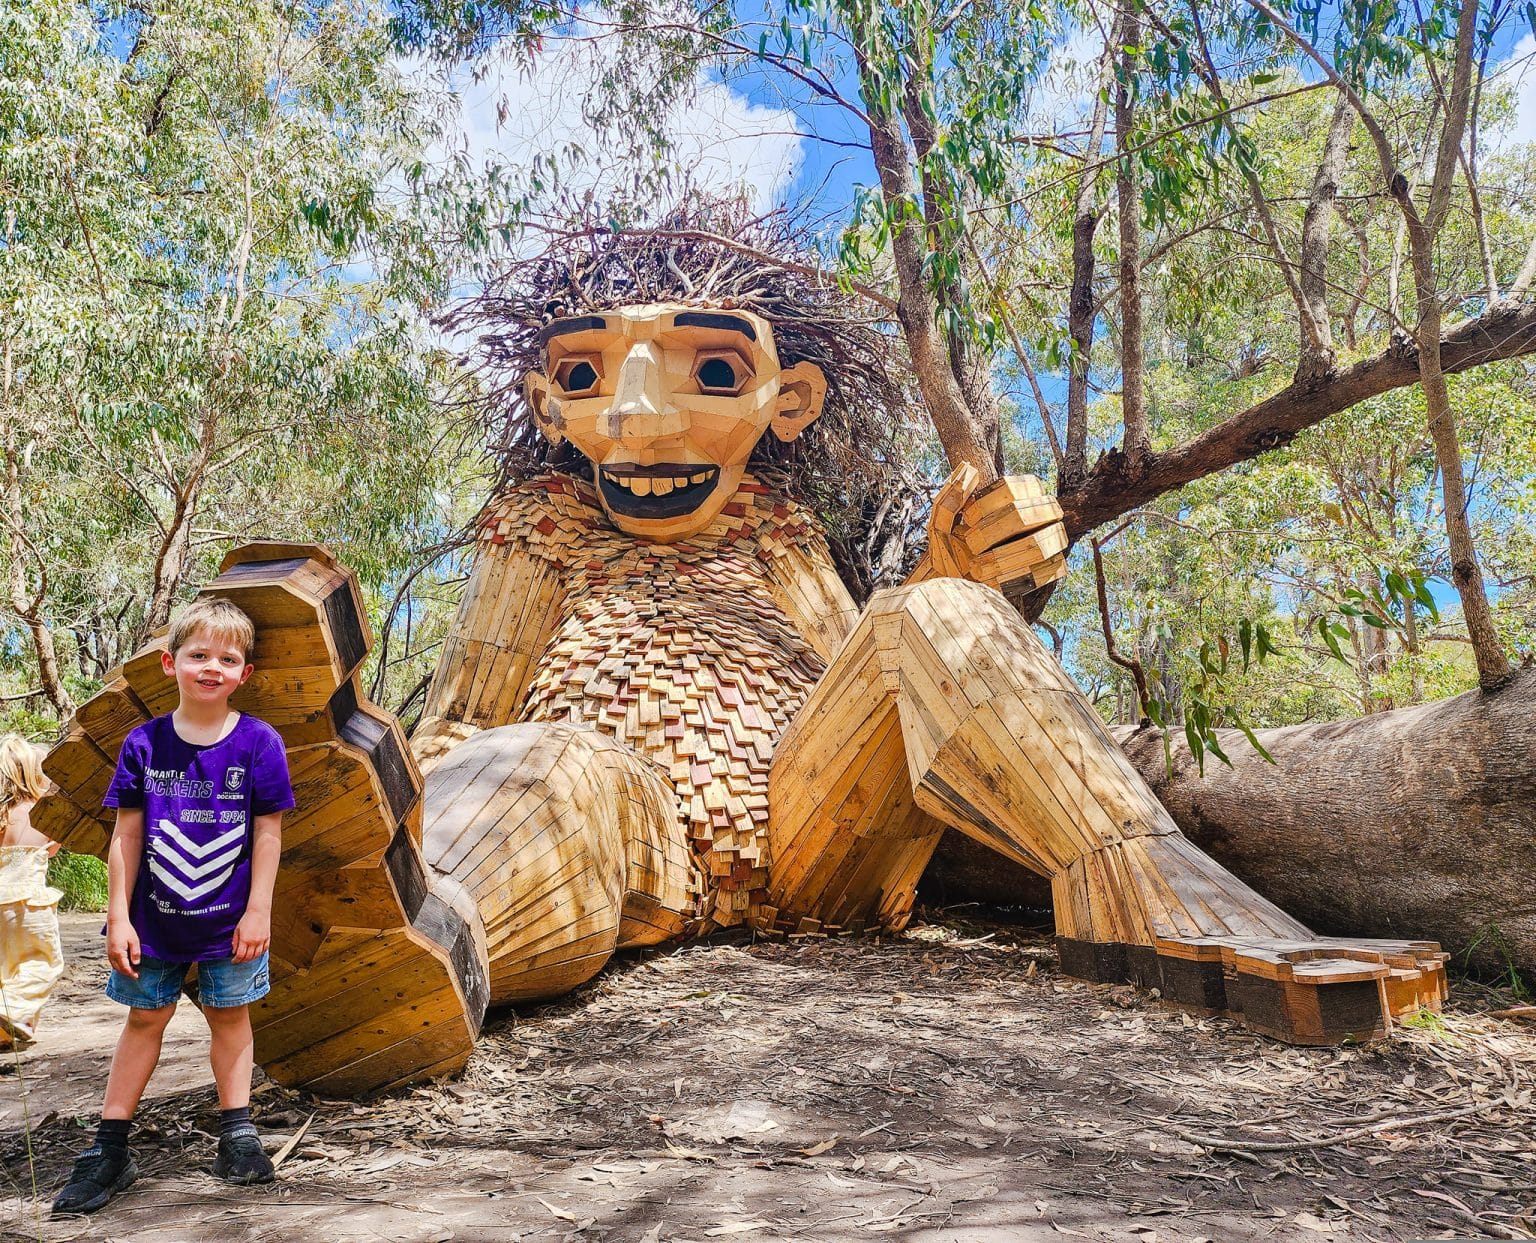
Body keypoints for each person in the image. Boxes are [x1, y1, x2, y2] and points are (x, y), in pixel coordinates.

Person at [52, 599, 294, 1215]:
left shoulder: (259, 742)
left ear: (245, 672)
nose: (212, 666)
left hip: (231, 921)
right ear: (170, 663)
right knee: (143, 1022)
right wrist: (119, 916)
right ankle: (110, 1148)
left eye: (228, 658)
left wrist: (259, 910)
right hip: (152, 922)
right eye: (198, 655)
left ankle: (237, 1133)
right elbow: (126, 835)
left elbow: (268, 832)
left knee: (230, 1017)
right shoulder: (145, 743)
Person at [0, 735, 64, 1055]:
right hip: (29, 904)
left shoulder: (2, 814)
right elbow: (51, 849)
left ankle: (11, 1030)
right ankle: (11, 1012)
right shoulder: (43, 812)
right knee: (41, 963)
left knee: (7, 968)